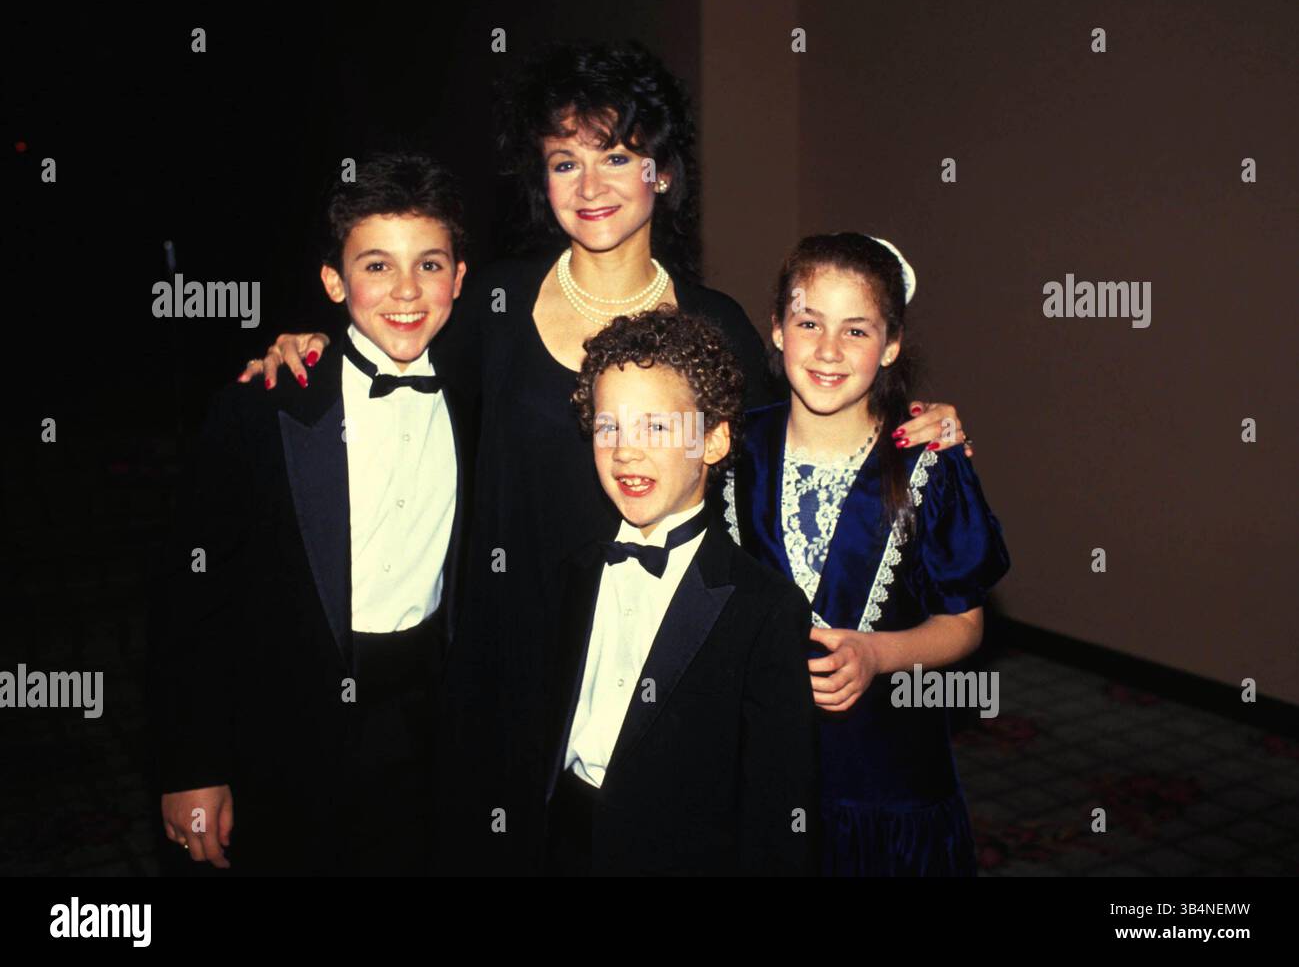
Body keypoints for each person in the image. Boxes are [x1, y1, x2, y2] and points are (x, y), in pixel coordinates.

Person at [235, 42, 968, 872]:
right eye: (564, 160)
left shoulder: (717, 325)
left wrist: (917, 421)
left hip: (657, 676)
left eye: (617, 155)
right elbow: (393, 346)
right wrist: (308, 345)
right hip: (499, 667)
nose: (590, 186)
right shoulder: (493, 303)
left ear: (661, 171)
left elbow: (801, 424)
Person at [151, 152, 472, 875]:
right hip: (288, 723)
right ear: (335, 280)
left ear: (458, 276)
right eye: (376, 266)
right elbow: (189, 597)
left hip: (427, 723)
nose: (406, 291)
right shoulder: (264, 406)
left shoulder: (478, 392)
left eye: (429, 264)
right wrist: (190, 764)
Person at [721, 232, 1010, 876]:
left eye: (856, 331)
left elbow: (964, 624)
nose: (828, 350)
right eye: (808, 322)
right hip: (763, 780)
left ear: (892, 344)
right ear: (776, 328)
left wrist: (876, 653)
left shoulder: (929, 462)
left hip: (889, 788)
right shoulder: (731, 450)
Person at [544, 307, 819, 875]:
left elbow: (778, 810)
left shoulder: (765, 610)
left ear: (714, 440)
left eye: (657, 427)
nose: (625, 450)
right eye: (608, 426)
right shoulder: (572, 571)